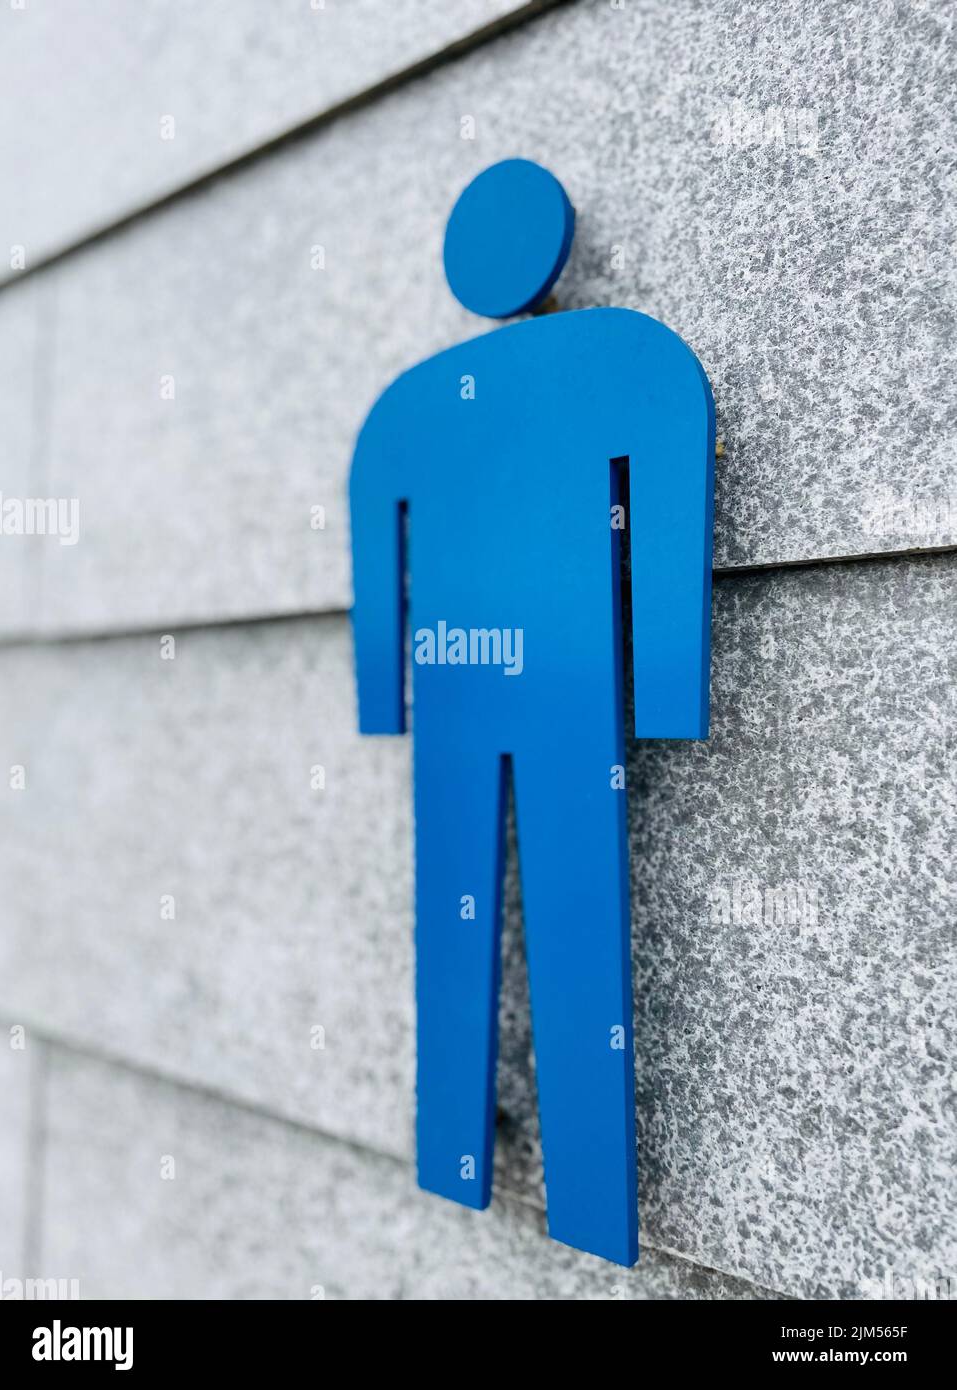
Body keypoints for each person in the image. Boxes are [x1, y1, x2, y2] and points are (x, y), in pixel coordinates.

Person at [350, 159, 715, 1265]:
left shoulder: (409, 405)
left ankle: (459, 1150)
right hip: (565, 689)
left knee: (457, 914)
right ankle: (586, 1197)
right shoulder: (624, 357)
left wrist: (388, 700)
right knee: (573, 920)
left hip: (463, 684)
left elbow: (380, 536)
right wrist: (661, 695)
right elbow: (665, 508)